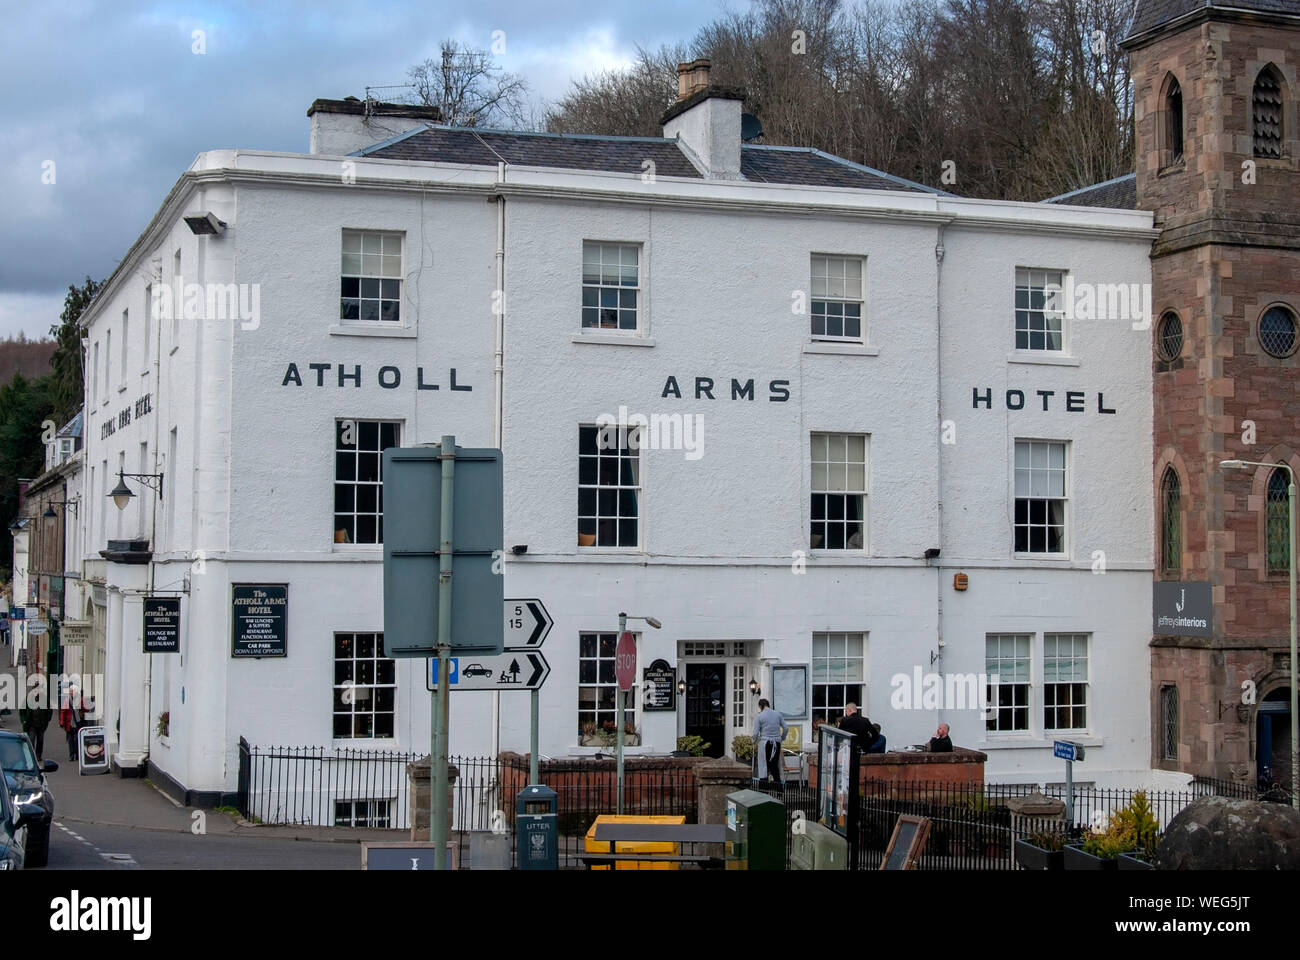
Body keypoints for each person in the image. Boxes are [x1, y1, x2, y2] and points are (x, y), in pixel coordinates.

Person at [752, 698, 789, 788]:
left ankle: (764, 790)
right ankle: (779, 791)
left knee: (763, 766)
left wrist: (753, 741)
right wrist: (782, 738)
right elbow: (786, 728)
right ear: (768, 705)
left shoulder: (760, 716)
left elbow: (756, 733)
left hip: (765, 743)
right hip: (776, 743)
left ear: (760, 706)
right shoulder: (777, 714)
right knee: (775, 766)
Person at [60, 684, 86, 761]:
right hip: (69, 723)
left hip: (78, 722)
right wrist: (62, 721)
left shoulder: (80, 699)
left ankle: (77, 755)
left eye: (72, 691)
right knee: (70, 740)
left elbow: (86, 709)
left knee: (77, 739)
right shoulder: (67, 700)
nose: (71, 693)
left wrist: (81, 707)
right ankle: (71, 755)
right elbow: (63, 711)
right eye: (70, 691)